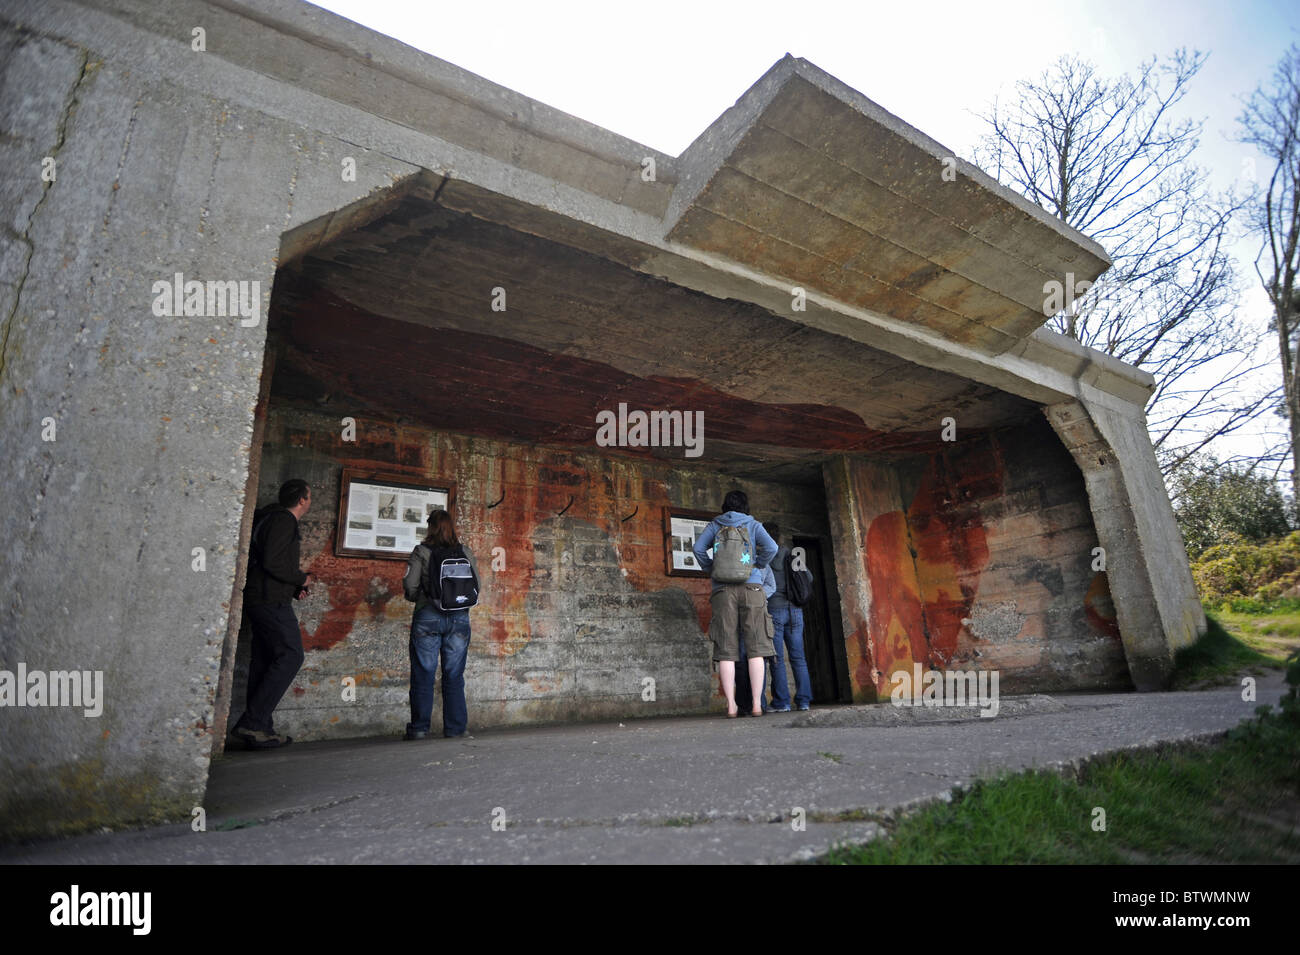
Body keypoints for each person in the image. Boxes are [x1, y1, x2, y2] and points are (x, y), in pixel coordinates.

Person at [232, 479, 313, 750]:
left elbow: (269, 563)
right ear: (302, 499)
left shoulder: (270, 519)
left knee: (265, 660)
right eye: (309, 496)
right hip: (269, 602)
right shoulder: (283, 521)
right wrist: (301, 578)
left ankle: (260, 729)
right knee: (291, 655)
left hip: (263, 597)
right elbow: (272, 561)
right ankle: (253, 723)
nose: (309, 501)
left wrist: (292, 587)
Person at [692, 490, 778, 717]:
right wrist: (757, 566)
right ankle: (758, 705)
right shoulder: (754, 525)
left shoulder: (715, 525)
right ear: (746, 506)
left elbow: (698, 549)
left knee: (726, 649)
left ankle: (731, 705)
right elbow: (772, 548)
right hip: (752, 588)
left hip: (723, 591)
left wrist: (713, 570)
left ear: (724, 506)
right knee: (756, 647)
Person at [402, 509, 479, 740]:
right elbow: (477, 586)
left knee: (423, 672)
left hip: (428, 616)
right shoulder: (465, 551)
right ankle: (456, 728)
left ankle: (419, 729)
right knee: (454, 674)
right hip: (459, 618)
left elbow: (410, 585)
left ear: (430, 527)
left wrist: (423, 599)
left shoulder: (421, 551)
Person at [763, 522, 813, 712]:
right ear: (780, 537)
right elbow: (808, 578)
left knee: (777, 659)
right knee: (799, 658)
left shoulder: (764, 556)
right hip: (795, 611)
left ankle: (782, 702)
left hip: (774, 609)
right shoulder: (793, 554)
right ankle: (804, 701)